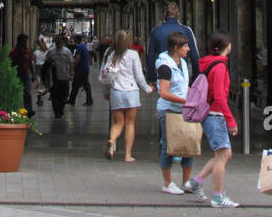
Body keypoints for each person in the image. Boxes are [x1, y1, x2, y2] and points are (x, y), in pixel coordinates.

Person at [186, 32, 239, 208]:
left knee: (224, 154)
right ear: (228, 46)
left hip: (213, 114)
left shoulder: (210, 63)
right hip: (215, 115)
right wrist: (230, 119)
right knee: (222, 155)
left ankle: (197, 181)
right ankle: (218, 195)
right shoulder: (220, 67)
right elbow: (219, 96)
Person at [101, 29, 153, 161]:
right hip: (131, 93)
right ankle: (128, 155)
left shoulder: (110, 54)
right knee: (130, 124)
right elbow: (139, 77)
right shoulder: (133, 54)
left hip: (116, 92)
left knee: (118, 123)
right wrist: (148, 89)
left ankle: (112, 141)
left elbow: (105, 75)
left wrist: (105, 92)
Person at [155, 31, 196, 193]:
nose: (188, 49)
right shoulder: (165, 66)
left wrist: (194, 94)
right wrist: (186, 100)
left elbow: (183, 85)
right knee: (168, 146)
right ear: (176, 47)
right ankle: (167, 183)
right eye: (185, 46)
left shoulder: (182, 63)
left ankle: (186, 181)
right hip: (168, 110)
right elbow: (164, 93)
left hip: (184, 109)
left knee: (189, 144)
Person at [146, 1, 200, 83]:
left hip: (163, 74)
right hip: (181, 74)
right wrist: (196, 77)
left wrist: (151, 79)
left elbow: (150, 56)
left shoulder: (156, 31)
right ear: (178, 14)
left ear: (164, 15)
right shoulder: (186, 31)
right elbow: (194, 56)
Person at [44, 34, 75, 119]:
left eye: (59, 41)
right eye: (56, 41)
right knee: (54, 95)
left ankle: (60, 108)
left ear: (62, 42)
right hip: (54, 78)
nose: (58, 43)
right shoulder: (51, 52)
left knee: (64, 95)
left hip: (65, 77)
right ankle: (57, 111)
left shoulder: (67, 51)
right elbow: (46, 63)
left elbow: (71, 63)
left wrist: (71, 74)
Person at [9, 33, 35, 117]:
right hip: (17, 73)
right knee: (17, 92)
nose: (26, 42)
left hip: (26, 73)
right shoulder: (13, 52)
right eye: (24, 41)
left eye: (26, 41)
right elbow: (10, 63)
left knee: (27, 92)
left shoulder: (27, 51)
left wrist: (33, 73)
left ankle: (28, 110)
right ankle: (16, 109)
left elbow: (30, 63)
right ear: (20, 41)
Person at [69, 36, 93, 106]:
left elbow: (77, 58)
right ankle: (72, 100)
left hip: (81, 69)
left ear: (77, 39)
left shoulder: (79, 47)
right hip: (84, 68)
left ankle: (88, 100)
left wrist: (73, 65)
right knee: (79, 85)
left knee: (81, 85)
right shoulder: (83, 46)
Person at [33, 37, 49, 105]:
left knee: (38, 75)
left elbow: (34, 59)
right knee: (45, 82)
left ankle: (39, 83)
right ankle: (41, 88)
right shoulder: (46, 53)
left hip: (37, 65)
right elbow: (47, 60)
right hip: (44, 66)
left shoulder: (36, 52)